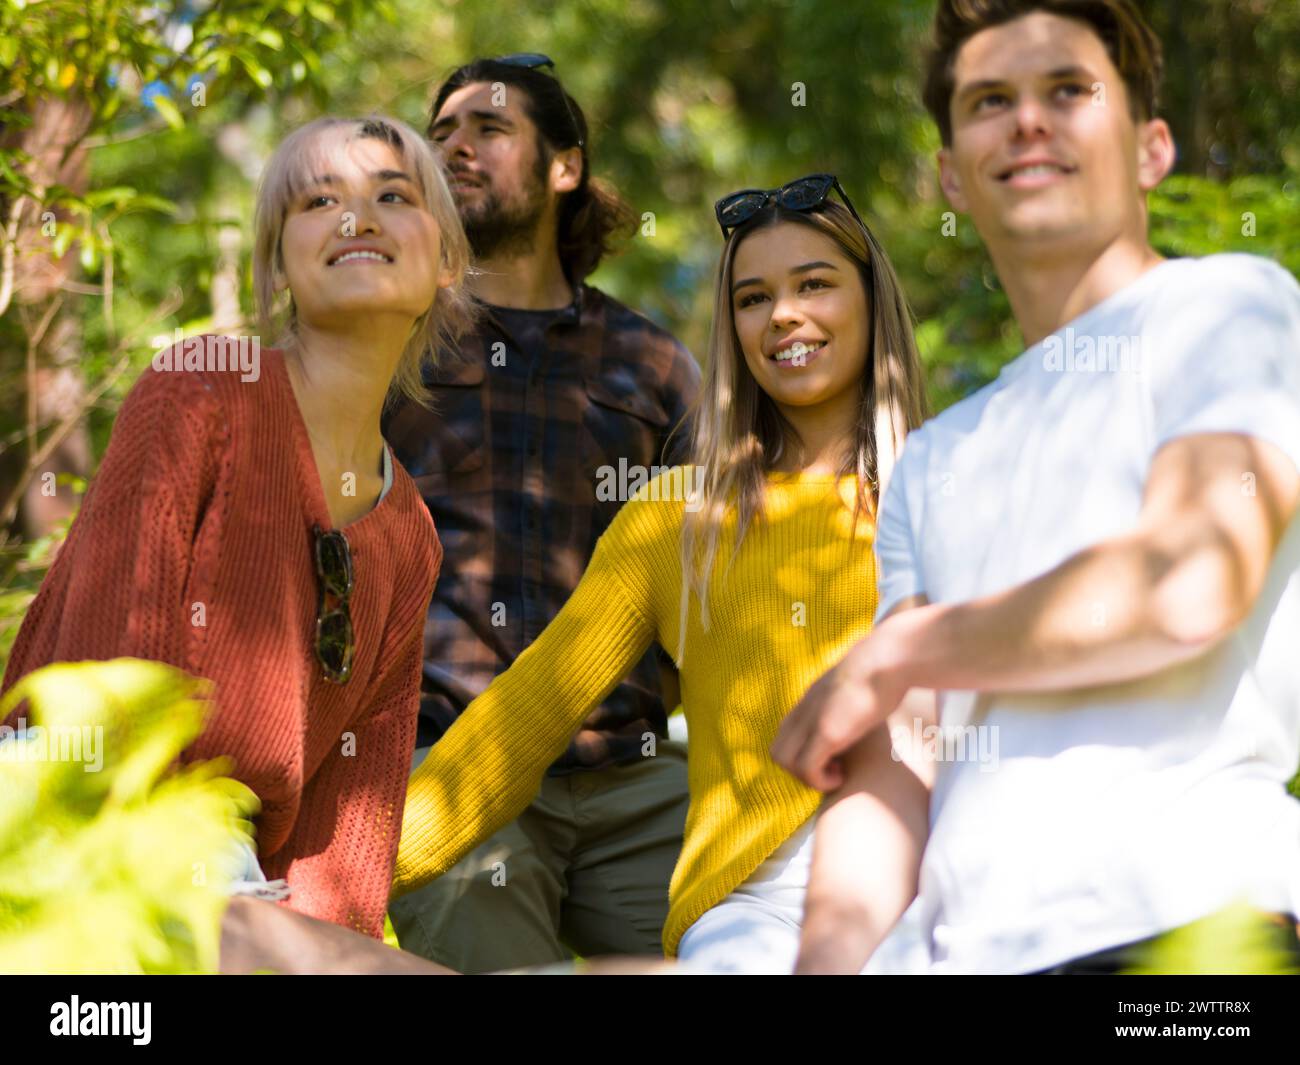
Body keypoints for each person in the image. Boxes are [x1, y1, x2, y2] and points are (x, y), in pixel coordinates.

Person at [774, 0, 1300, 975]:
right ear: (948, 177)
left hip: (1191, 938)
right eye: (988, 100)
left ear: (1149, 149)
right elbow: (902, 759)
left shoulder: (1230, 306)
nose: (1027, 121)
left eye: (1067, 90)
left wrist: (899, 650)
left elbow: (1186, 586)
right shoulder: (933, 458)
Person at [389, 172, 932, 975]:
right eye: (752, 297)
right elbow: (526, 713)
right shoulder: (675, 516)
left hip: (929, 881)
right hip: (749, 910)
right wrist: (357, 866)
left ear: (871, 300)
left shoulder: (948, 484)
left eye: (814, 283)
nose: (782, 313)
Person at [1, 114, 472, 958]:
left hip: (229, 872)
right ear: (278, 261)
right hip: (71, 819)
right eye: (318, 200)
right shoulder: (201, 392)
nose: (355, 217)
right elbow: (102, 684)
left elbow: (350, 819)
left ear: (446, 262)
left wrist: (326, 944)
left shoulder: (411, 536)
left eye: (391, 196)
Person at [382, 55, 701, 973]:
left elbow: (713, 572)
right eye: (438, 136)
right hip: (453, 766)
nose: (454, 150)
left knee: (751, 943)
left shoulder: (653, 363)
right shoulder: (389, 338)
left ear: (565, 167)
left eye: (487, 129)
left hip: (633, 776)